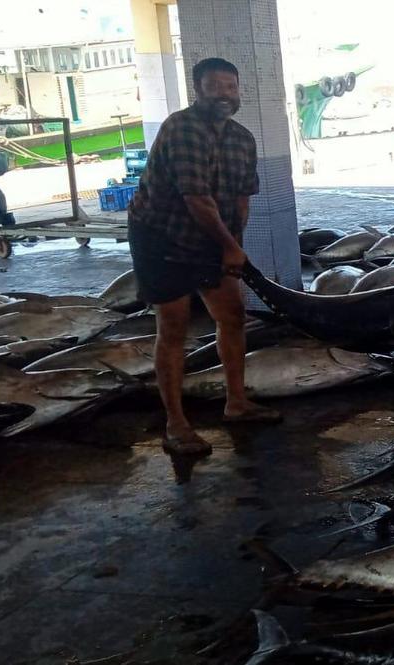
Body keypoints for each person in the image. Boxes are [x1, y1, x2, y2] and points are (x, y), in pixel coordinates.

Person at [127, 57, 280, 455]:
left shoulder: (242, 138)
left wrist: (236, 245)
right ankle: (176, 423)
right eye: (215, 87)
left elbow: (242, 197)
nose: (224, 95)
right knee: (174, 325)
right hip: (163, 237)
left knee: (232, 314)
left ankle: (237, 402)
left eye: (231, 87)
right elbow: (196, 198)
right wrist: (229, 246)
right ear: (198, 90)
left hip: (214, 236)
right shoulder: (182, 128)